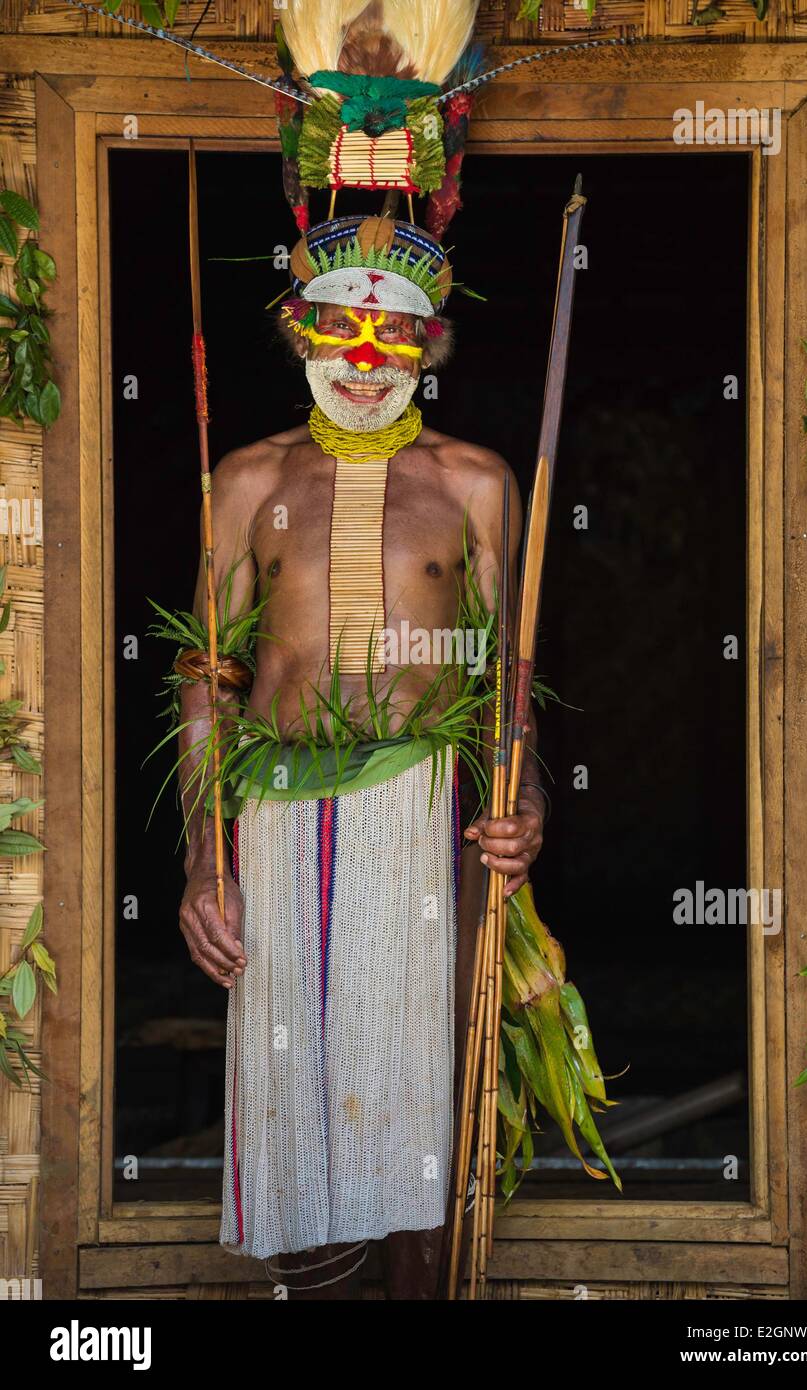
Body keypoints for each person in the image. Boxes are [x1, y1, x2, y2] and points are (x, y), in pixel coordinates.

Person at [175, 215, 547, 1298]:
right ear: (301, 335)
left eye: (397, 334)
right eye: (346, 328)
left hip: (423, 821)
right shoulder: (249, 480)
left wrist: (527, 814)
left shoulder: (474, 482)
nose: (370, 359)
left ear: (431, 347)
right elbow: (206, 677)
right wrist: (207, 861)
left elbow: (509, 684)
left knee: (417, 1100)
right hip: (280, 817)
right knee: (295, 1110)